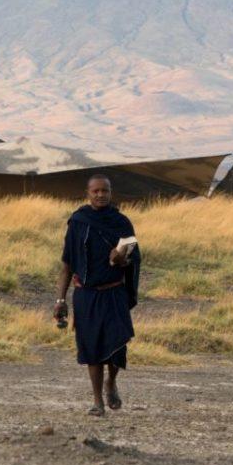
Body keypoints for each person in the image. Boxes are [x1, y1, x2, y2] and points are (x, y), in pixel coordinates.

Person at [53, 175, 141, 416]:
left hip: (114, 292)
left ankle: (111, 382)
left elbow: (133, 257)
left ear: (111, 192)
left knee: (117, 346)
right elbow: (67, 265)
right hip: (86, 295)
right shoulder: (78, 222)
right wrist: (60, 300)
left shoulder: (121, 222)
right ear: (88, 193)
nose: (101, 195)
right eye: (96, 191)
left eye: (105, 191)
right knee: (91, 348)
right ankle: (97, 401)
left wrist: (121, 259)